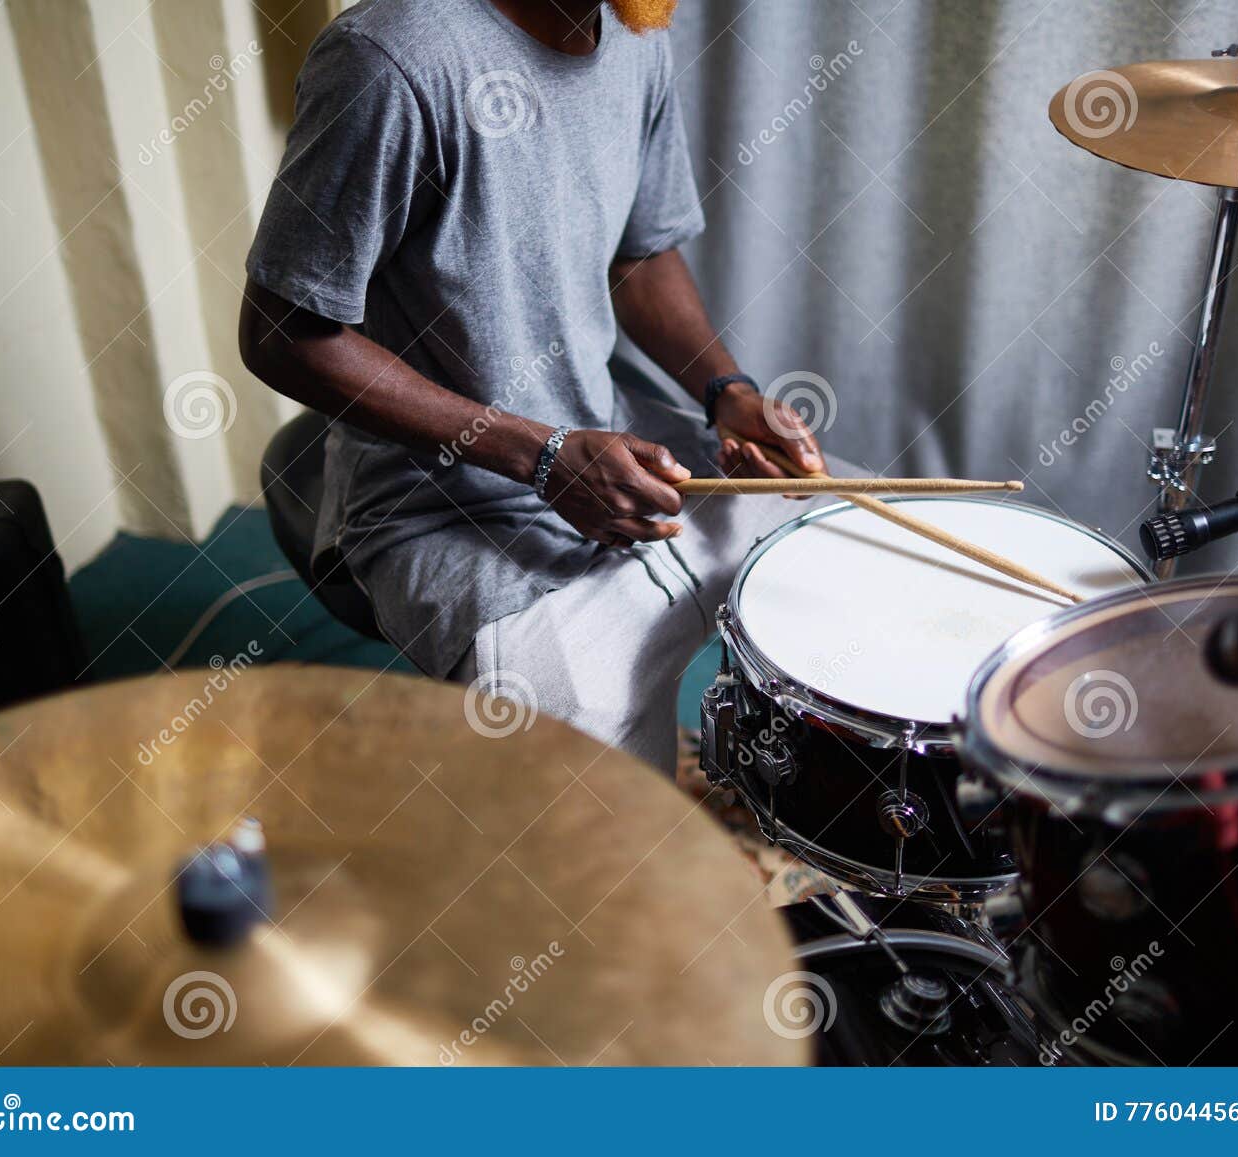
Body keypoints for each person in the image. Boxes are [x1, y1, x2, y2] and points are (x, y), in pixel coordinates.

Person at [240, 0, 829, 773]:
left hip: (613, 438)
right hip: (439, 502)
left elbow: (640, 257)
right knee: (586, 736)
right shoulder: (386, 59)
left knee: (836, 543)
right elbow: (280, 333)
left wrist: (728, 391)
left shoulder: (633, 31)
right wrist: (543, 455)